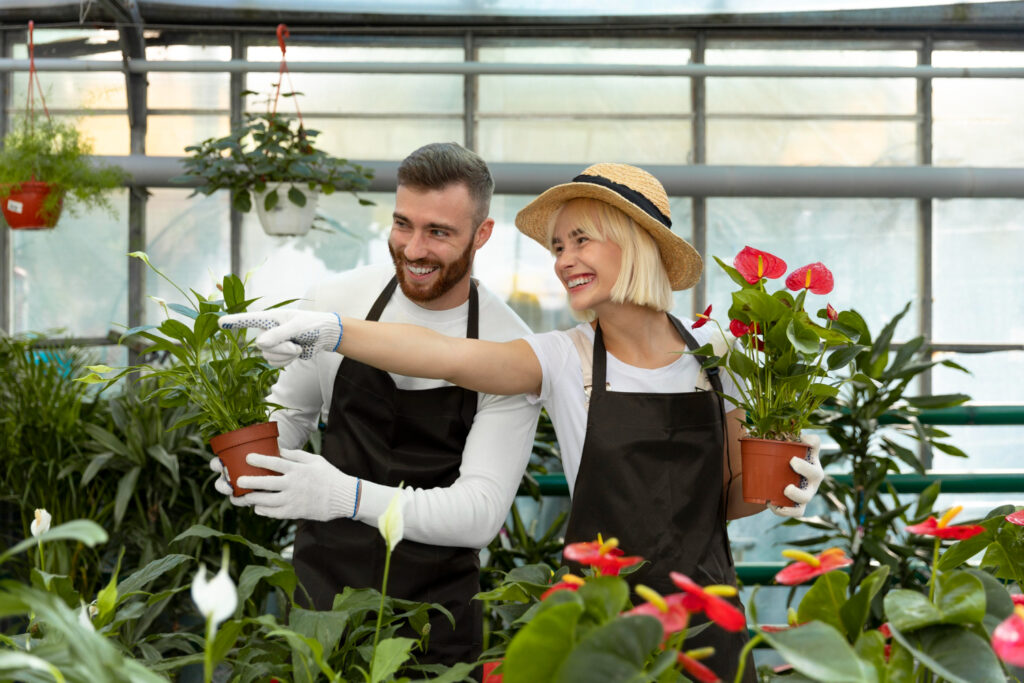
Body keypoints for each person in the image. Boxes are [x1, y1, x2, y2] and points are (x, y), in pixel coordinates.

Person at [221, 162, 824, 681]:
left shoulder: (718, 353)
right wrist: (332, 330)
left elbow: (725, 500)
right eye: (558, 247)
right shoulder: (562, 358)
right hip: (598, 620)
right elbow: (445, 354)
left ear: (635, 240)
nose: (564, 261)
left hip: (705, 615)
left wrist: (789, 485)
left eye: (581, 240)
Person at [211, 142, 541, 667]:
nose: (413, 249)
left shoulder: (509, 348)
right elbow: (291, 412)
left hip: (434, 618)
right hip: (322, 599)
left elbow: (479, 514)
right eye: (402, 224)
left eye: (438, 232)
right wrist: (253, 462)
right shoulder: (337, 302)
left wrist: (343, 495)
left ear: (482, 234)